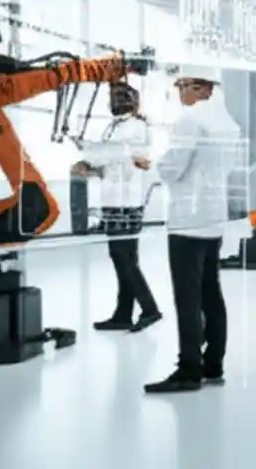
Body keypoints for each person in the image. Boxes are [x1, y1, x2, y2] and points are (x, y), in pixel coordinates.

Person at [145, 66, 243, 394]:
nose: (180, 93)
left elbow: (173, 168)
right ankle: (213, 364)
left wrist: (154, 165)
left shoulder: (191, 120)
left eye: (182, 86)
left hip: (188, 219)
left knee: (188, 298)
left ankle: (189, 369)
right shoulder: (227, 123)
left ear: (203, 88)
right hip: (214, 216)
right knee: (211, 293)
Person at [83, 83, 162, 332]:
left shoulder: (138, 127)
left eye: (120, 96)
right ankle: (123, 313)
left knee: (122, 256)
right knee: (123, 257)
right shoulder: (113, 126)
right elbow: (111, 160)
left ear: (133, 100)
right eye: (112, 96)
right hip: (112, 199)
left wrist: (94, 156)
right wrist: (89, 166)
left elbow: (124, 156)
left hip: (127, 202)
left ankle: (150, 309)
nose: (115, 100)